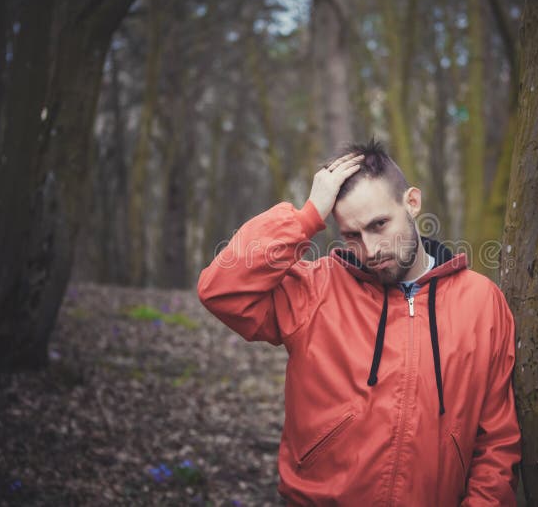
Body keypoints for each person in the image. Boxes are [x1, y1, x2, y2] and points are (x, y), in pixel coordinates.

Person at [197, 139, 521, 506]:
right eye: (352, 235)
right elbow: (220, 290)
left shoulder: (482, 301)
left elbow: (496, 442)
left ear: (412, 203)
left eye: (380, 224)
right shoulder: (314, 289)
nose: (370, 250)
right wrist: (306, 218)